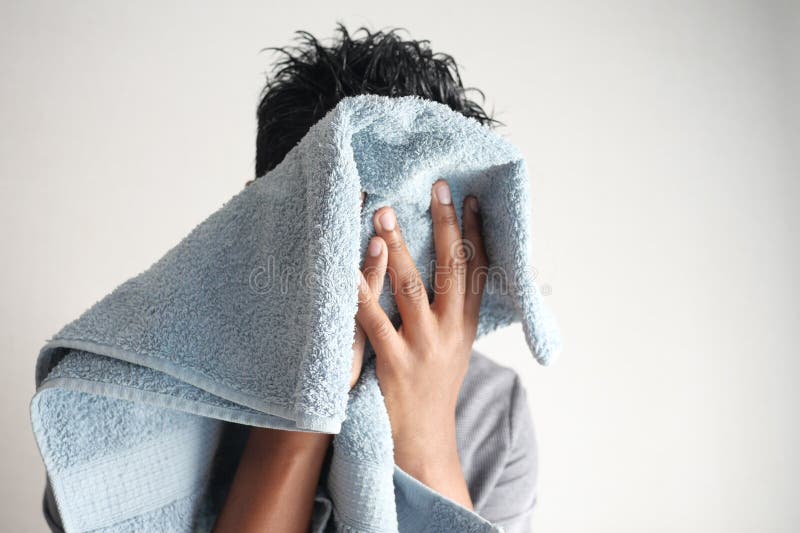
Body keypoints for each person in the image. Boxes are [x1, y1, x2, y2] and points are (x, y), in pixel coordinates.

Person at [42, 24, 539, 533]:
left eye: (420, 239)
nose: (386, 269)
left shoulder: (494, 416)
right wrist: (306, 404)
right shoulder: (123, 392)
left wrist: (427, 431)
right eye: (338, 228)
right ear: (257, 222)